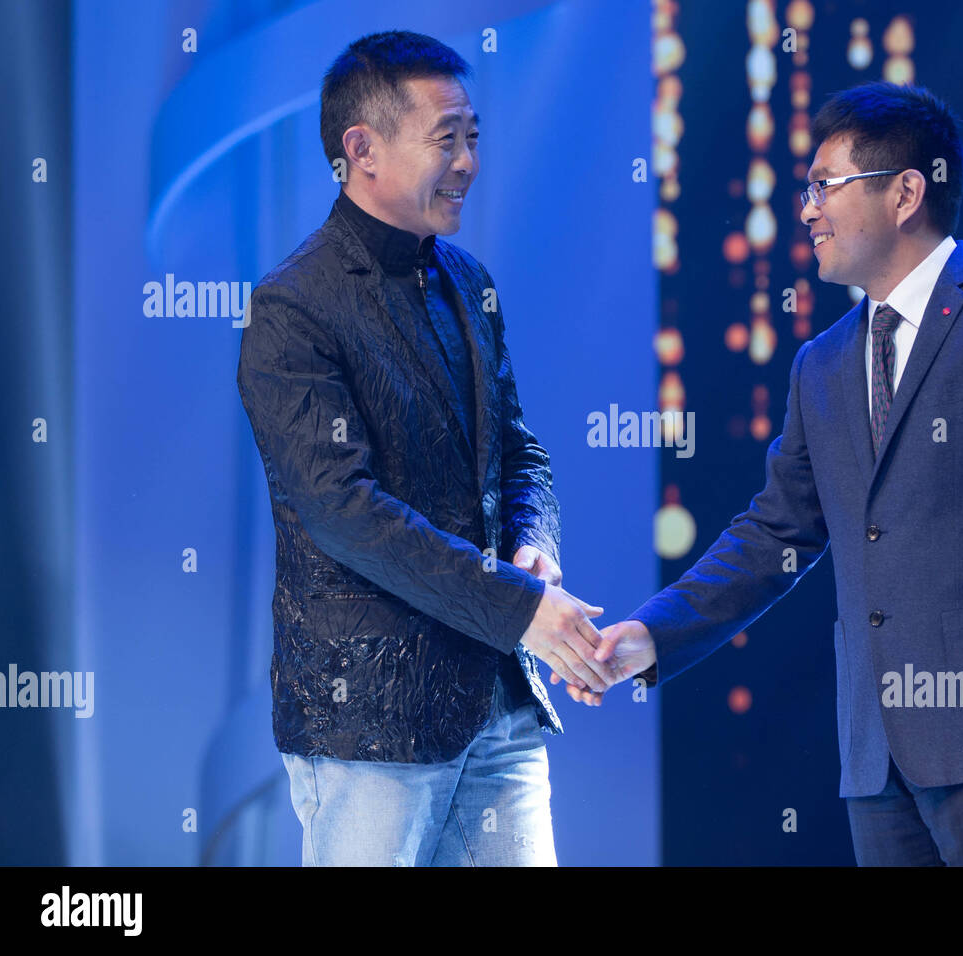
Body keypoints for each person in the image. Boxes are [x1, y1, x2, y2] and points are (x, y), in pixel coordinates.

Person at [557, 81, 963, 866]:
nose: (807, 209)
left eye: (825, 186)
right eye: (805, 189)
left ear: (904, 193)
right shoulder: (821, 364)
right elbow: (771, 536)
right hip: (875, 758)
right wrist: (650, 636)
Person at [236, 30, 611, 867]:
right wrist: (520, 608)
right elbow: (345, 514)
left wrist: (535, 548)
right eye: (447, 138)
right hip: (369, 722)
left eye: (474, 136)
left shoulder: (468, 283)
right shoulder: (293, 309)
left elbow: (521, 454)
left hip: (498, 702)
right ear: (360, 150)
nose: (470, 160)